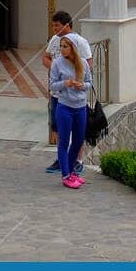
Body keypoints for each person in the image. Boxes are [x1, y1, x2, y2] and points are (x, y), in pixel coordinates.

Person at [42, 12, 93, 173]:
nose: (54, 28)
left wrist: (77, 79)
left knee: (78, 131)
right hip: (59, 95)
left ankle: (77, 160)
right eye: (53, 25)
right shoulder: (54, 40)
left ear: (67, 25)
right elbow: (46, 58)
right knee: (58, 129)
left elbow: (88, 66)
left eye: (57, 25)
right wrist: (57, 68)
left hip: (76, 97)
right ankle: (62, 159)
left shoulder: (81, 42)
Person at [49, 36, 90, 189]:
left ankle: (72, 170)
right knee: (64, 141)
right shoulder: (57, 63)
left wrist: (81, 85)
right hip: (64, 106)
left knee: (79, 140)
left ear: (73, 47)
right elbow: (52, 85)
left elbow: (89, 83)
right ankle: (65, 174)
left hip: (80, 106)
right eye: (61, 46)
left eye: (65, 46)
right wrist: (65, 83)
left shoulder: (83, 63)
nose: (62, 49)